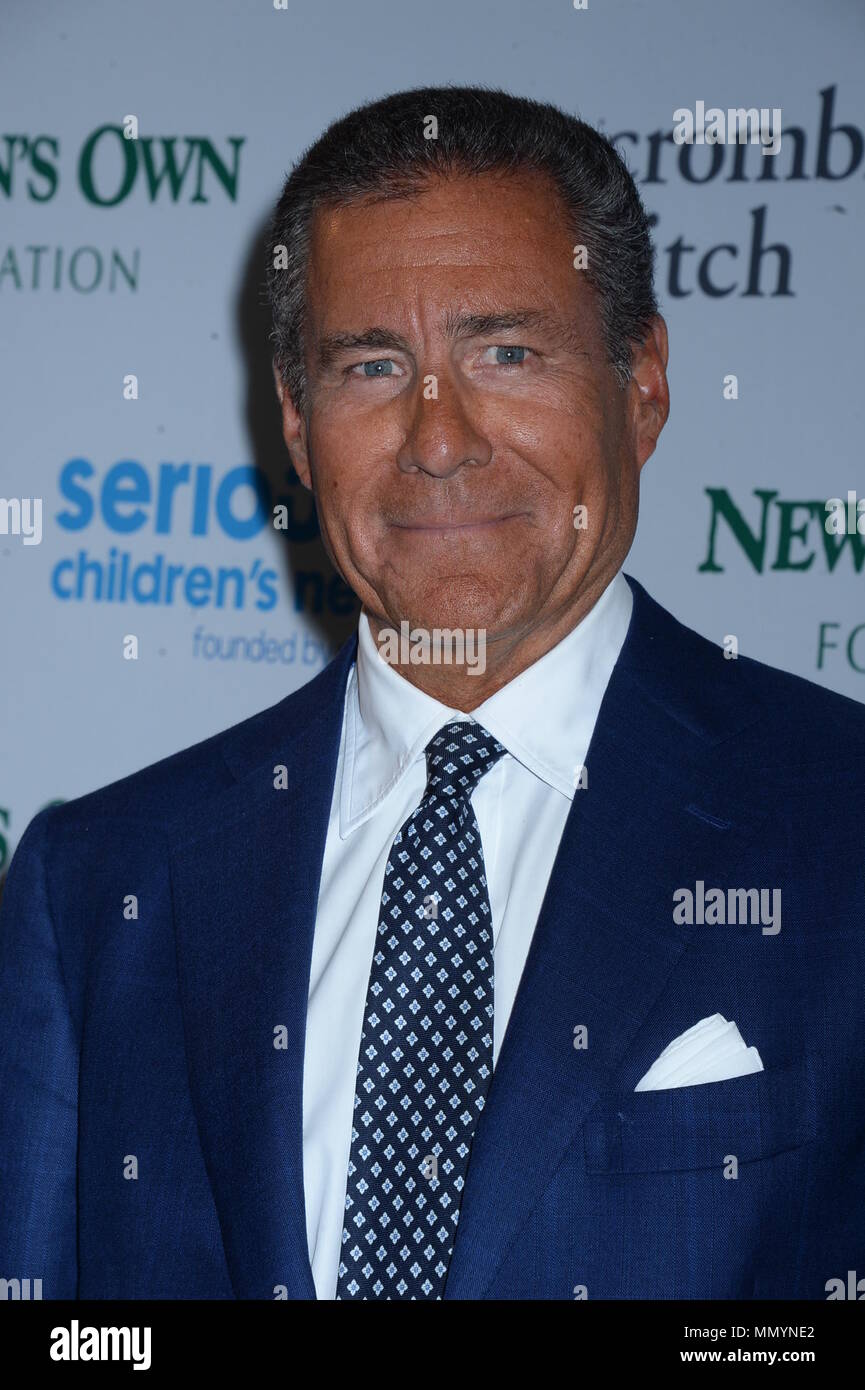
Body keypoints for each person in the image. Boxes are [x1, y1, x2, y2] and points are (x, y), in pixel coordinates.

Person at [1, 85, 863, 1301]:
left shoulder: (840, 820)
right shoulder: (100, 882)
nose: (438, 436)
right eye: (371, 365)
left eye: (505, 352)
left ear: (644, 385)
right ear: (297, 429)